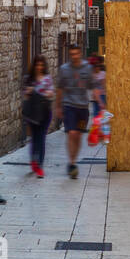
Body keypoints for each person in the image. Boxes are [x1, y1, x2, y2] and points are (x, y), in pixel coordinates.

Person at [54, 44, 94, 179]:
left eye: (76, 54)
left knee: (78, 135)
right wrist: (58, 106)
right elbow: (60, 89)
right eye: (72, 54)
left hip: (83, 108)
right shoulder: (64, 69)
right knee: (72, 132)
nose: (74, 57)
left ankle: (74, 160)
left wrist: (101, 104)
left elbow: (92, 87)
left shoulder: (87, 68)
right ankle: (71, 163)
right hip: (69, 105)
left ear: (80, 53)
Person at [22, 57, 54, 178]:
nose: (39, 67)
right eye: (37, 65)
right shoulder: (28, 79)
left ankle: (39, 166)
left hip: (45, 112)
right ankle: (34, 161)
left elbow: (51, 93)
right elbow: (25, 95)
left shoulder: (47, 78)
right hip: (32, 113)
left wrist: (34, 91)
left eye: (41, 65)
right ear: (34, 66)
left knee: (41, 138)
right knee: (34, 138)